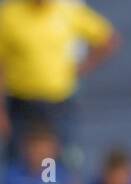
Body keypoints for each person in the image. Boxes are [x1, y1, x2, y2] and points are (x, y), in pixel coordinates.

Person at [0, 0, 117, 160]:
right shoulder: (9, 14)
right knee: (18, 160)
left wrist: (83, 67)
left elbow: (108, 38)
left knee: (58, 162)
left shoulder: (68, 10)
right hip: (21, 105)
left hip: (58, 103)